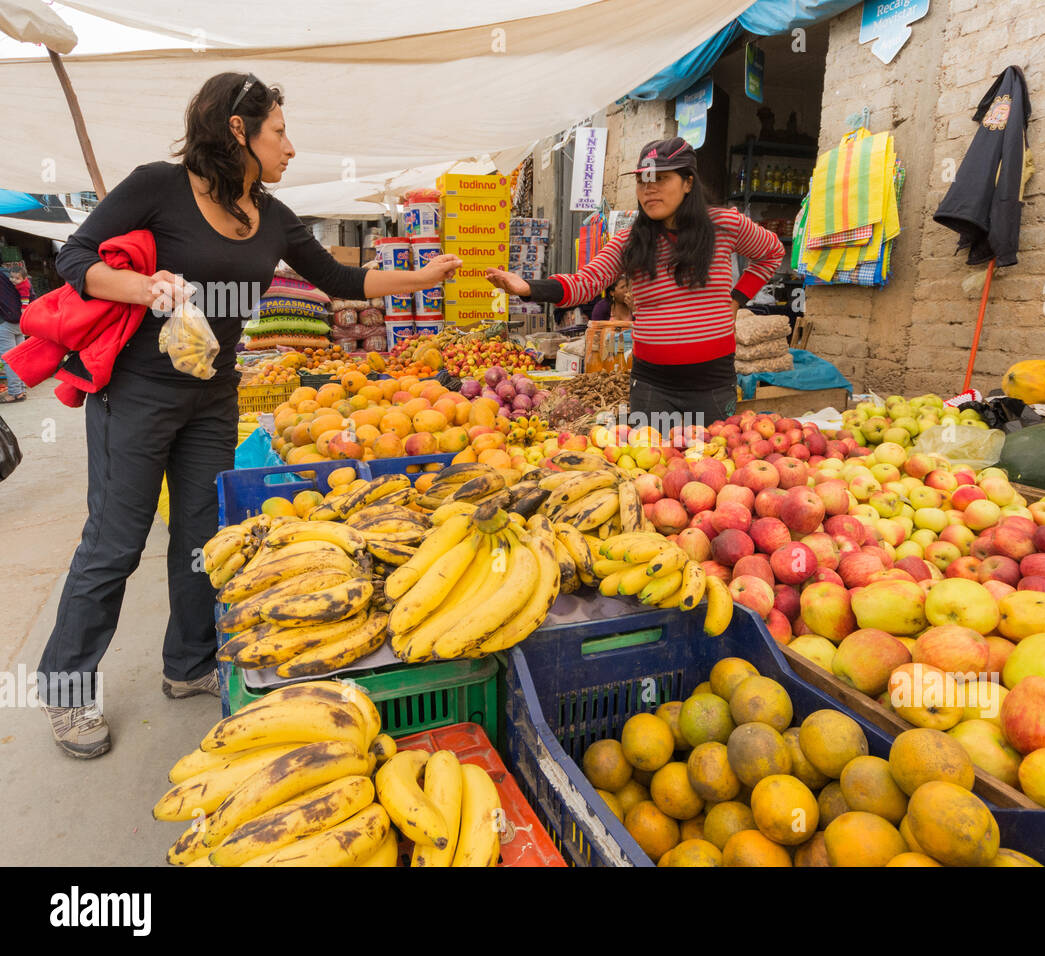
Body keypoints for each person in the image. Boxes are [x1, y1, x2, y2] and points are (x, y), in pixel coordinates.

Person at [38, 72, 461, 759]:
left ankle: (189, 663)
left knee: (203, 537)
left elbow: (343, 281)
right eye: (279, 132)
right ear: (238, 130)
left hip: (214, 394)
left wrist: (421, 276)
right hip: (139, 394)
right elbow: (73, 257)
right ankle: (64, 690)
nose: (290, 147)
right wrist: (147, 289)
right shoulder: (158, 185)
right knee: (114, 542)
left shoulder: (272, 213)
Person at [486, 137, 784, 428]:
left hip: (711, 382)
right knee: (649, 468)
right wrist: (529, 288)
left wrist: (736, 299)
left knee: (711, 465)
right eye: (642, 181)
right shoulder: (630, 240)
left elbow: (771, 253)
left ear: (688, 182)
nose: (649, 190)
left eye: (661, 179)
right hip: (653, 386)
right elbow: (586, 282)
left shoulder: (724, 225)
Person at [0, 265, 29, 403]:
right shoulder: (15, 276)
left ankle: (15, 393)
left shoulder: (5, 277)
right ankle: (21, 390)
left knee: (10, 359)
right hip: (21, 323)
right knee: (19, 357)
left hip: (7, 323)